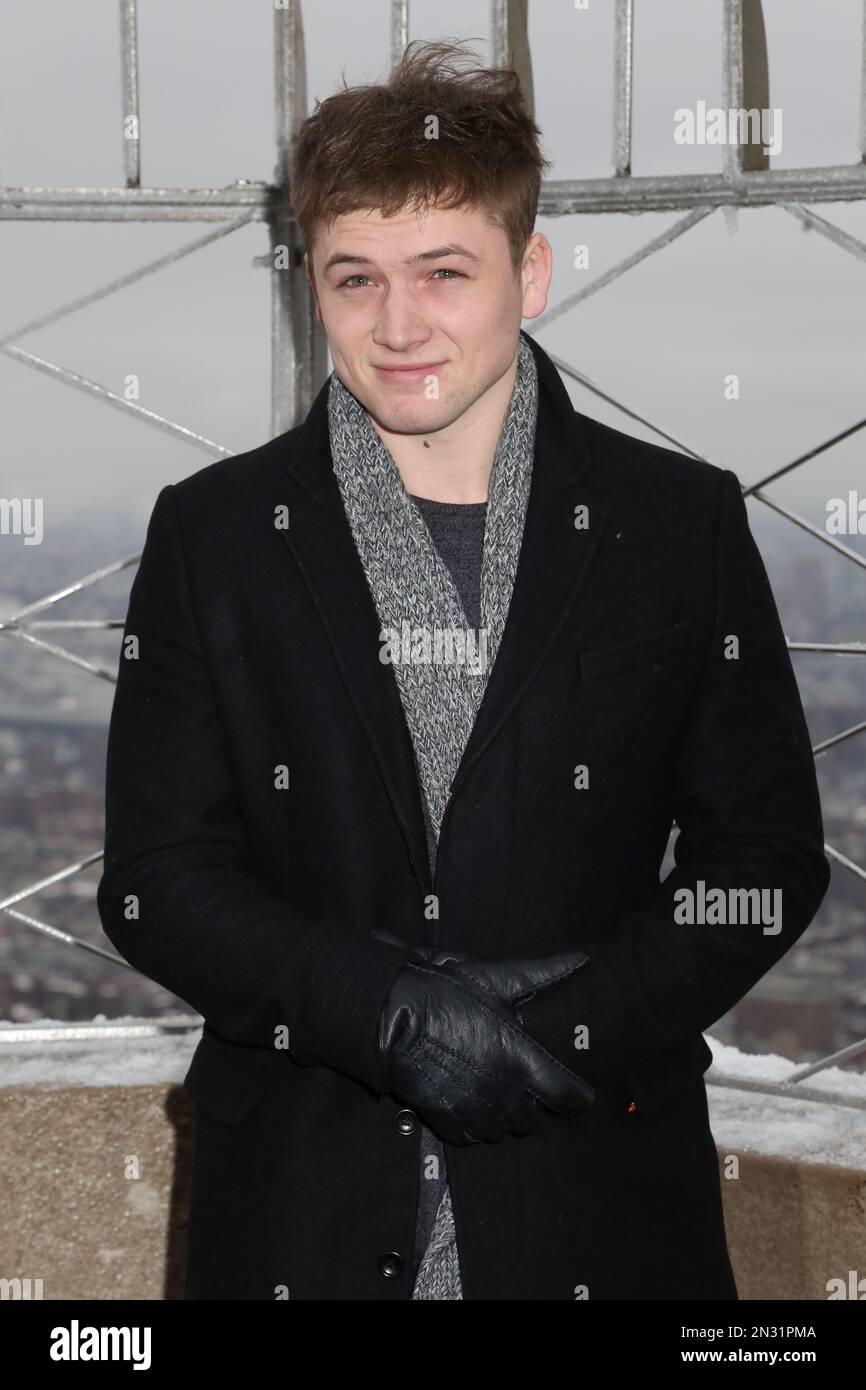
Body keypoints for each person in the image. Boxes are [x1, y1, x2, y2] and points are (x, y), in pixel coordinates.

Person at [97, 39, 830, 1301]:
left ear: (528, 271)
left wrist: (558, 1031)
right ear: (311, 287)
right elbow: (156, 881)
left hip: (592, 1176)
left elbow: (761, 866)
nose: (395, 326)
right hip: (300, 1203)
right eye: (353, 278)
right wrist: (380, 1011)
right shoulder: (212, 533)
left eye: (444, 272)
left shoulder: (677, 523)